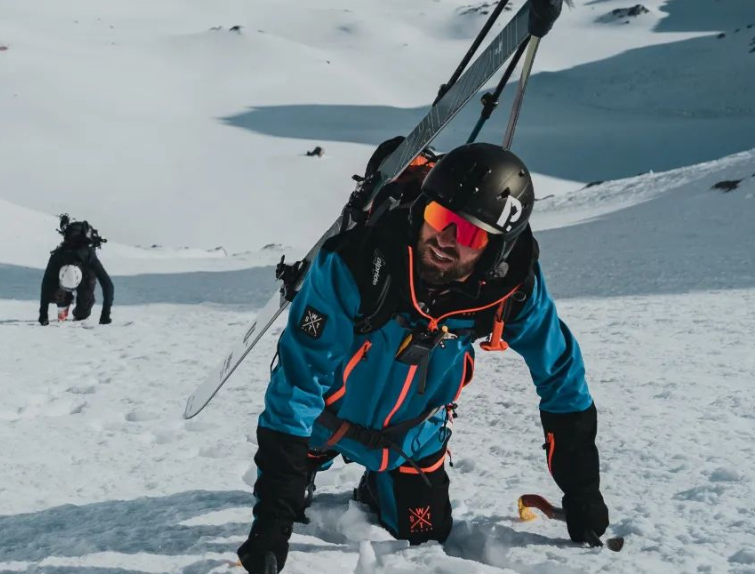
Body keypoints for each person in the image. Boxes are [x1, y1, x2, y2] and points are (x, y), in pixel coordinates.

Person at [237, 141, 608, 572]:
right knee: (297, 460)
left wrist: (582, 492)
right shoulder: (354, 263)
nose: (445, 241)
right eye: (439, 218)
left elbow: (561, 376)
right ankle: (309, 464)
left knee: (423, 534)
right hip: (323, 418)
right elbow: (298, 385)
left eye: (468, 233)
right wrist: (272, 522)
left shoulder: (512, 289)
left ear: (497, 249)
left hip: (410, 437)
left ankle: (376, 486)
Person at [39, 215, 114, 325]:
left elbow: (108, 285)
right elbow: (46, 285)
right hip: (66, 267)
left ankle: (80, 312)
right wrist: (43, 313)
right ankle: (63, 301)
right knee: (54, 294)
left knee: (84, 310)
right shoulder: (57, 258)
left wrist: (105, 314)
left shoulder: (89, 256)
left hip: (85, 270)